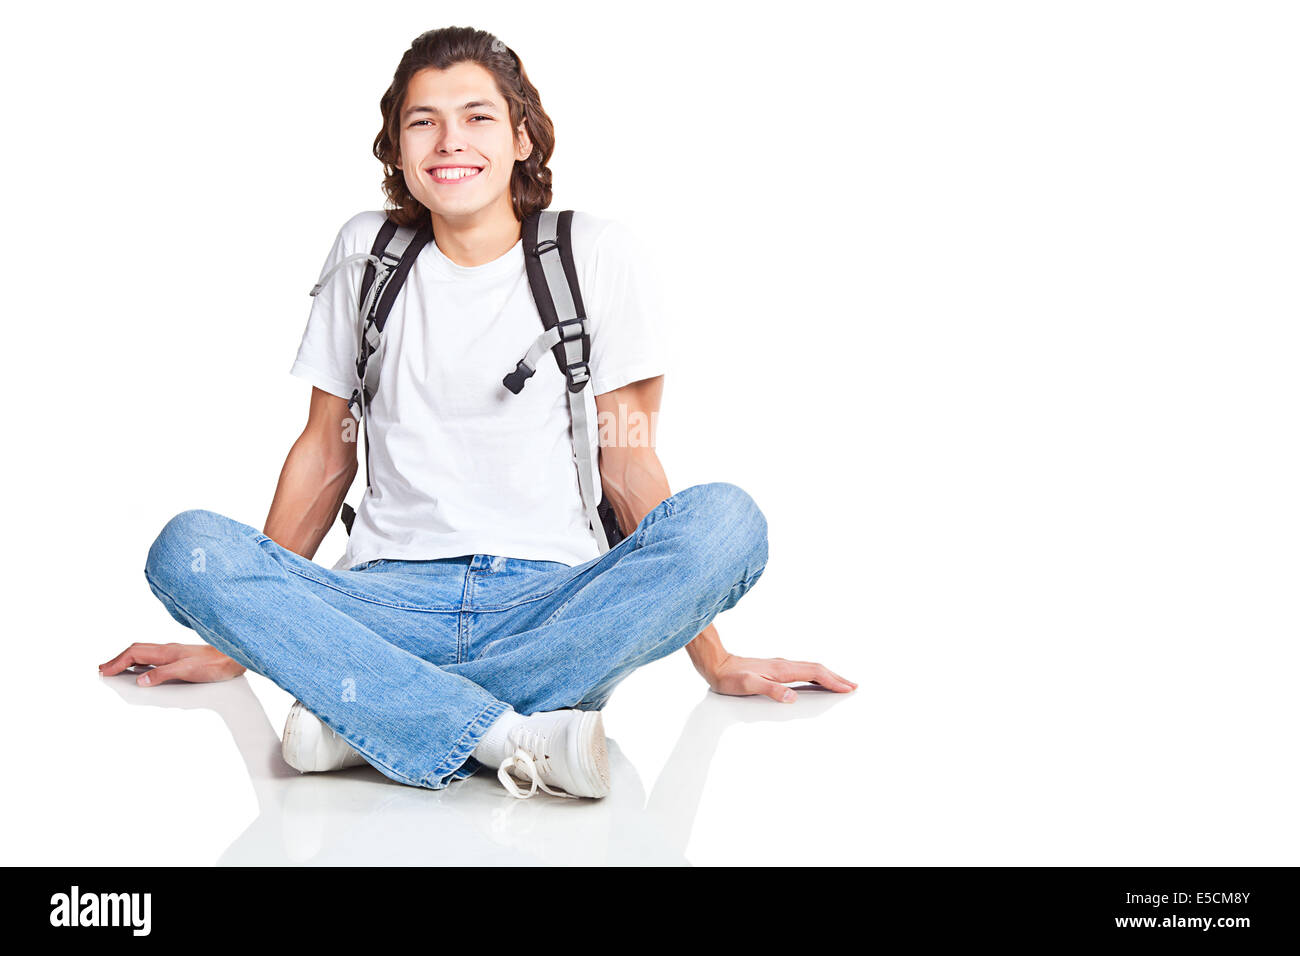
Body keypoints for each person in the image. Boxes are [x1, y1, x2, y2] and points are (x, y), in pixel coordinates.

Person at [101, 26, 856, 800]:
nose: (448, 140)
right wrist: (233, 645)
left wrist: (714, 658)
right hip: (382, 603)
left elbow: (628, 463)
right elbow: (326, 453)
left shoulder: (592, 254)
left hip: (553, 611)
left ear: (523, 137)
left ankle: (366, 711)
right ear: (396, 148)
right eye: (422, 121)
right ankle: (508, 733)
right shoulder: (366, 254)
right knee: (186, 548)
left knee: (727, 522)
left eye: (477, 117)